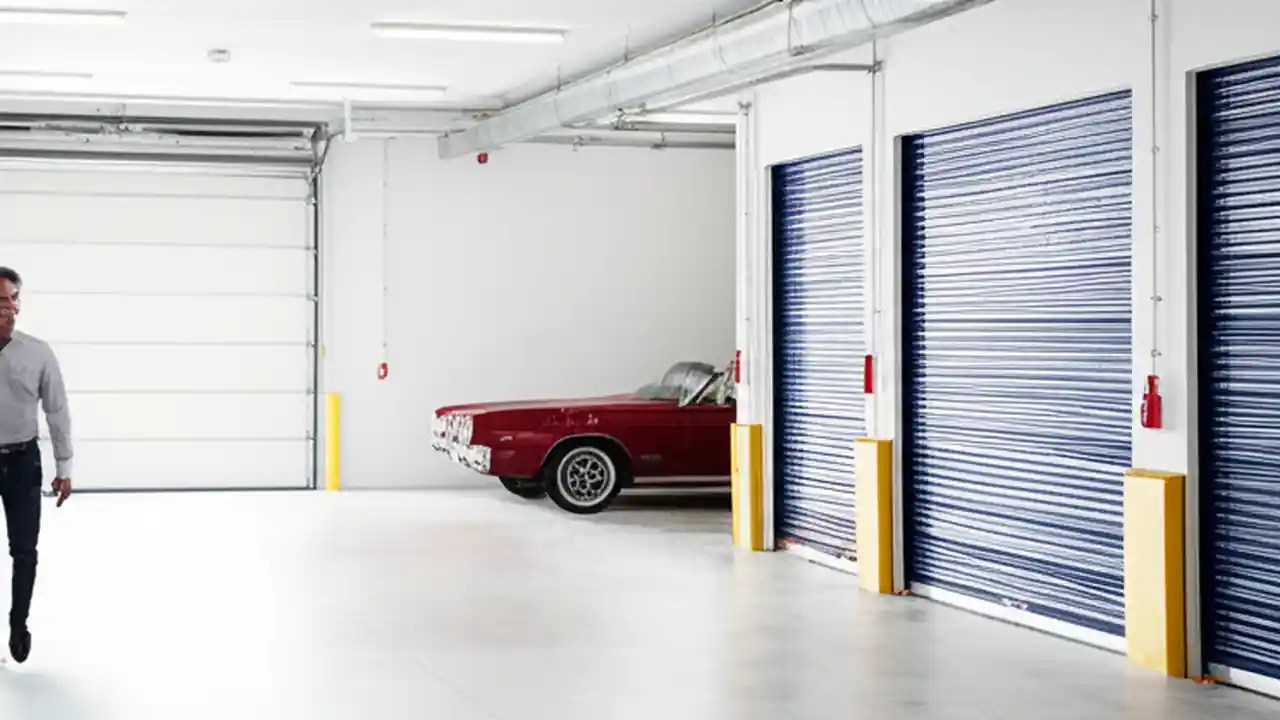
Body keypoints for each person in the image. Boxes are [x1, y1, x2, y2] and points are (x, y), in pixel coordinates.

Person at [0, 267, 72, 664]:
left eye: (14, 299)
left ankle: (17, 624)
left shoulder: (37, 352)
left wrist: (64, 465)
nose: (9, 307)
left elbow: (57, 410)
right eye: (1, 300)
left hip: (23, 462)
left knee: (24, 552)